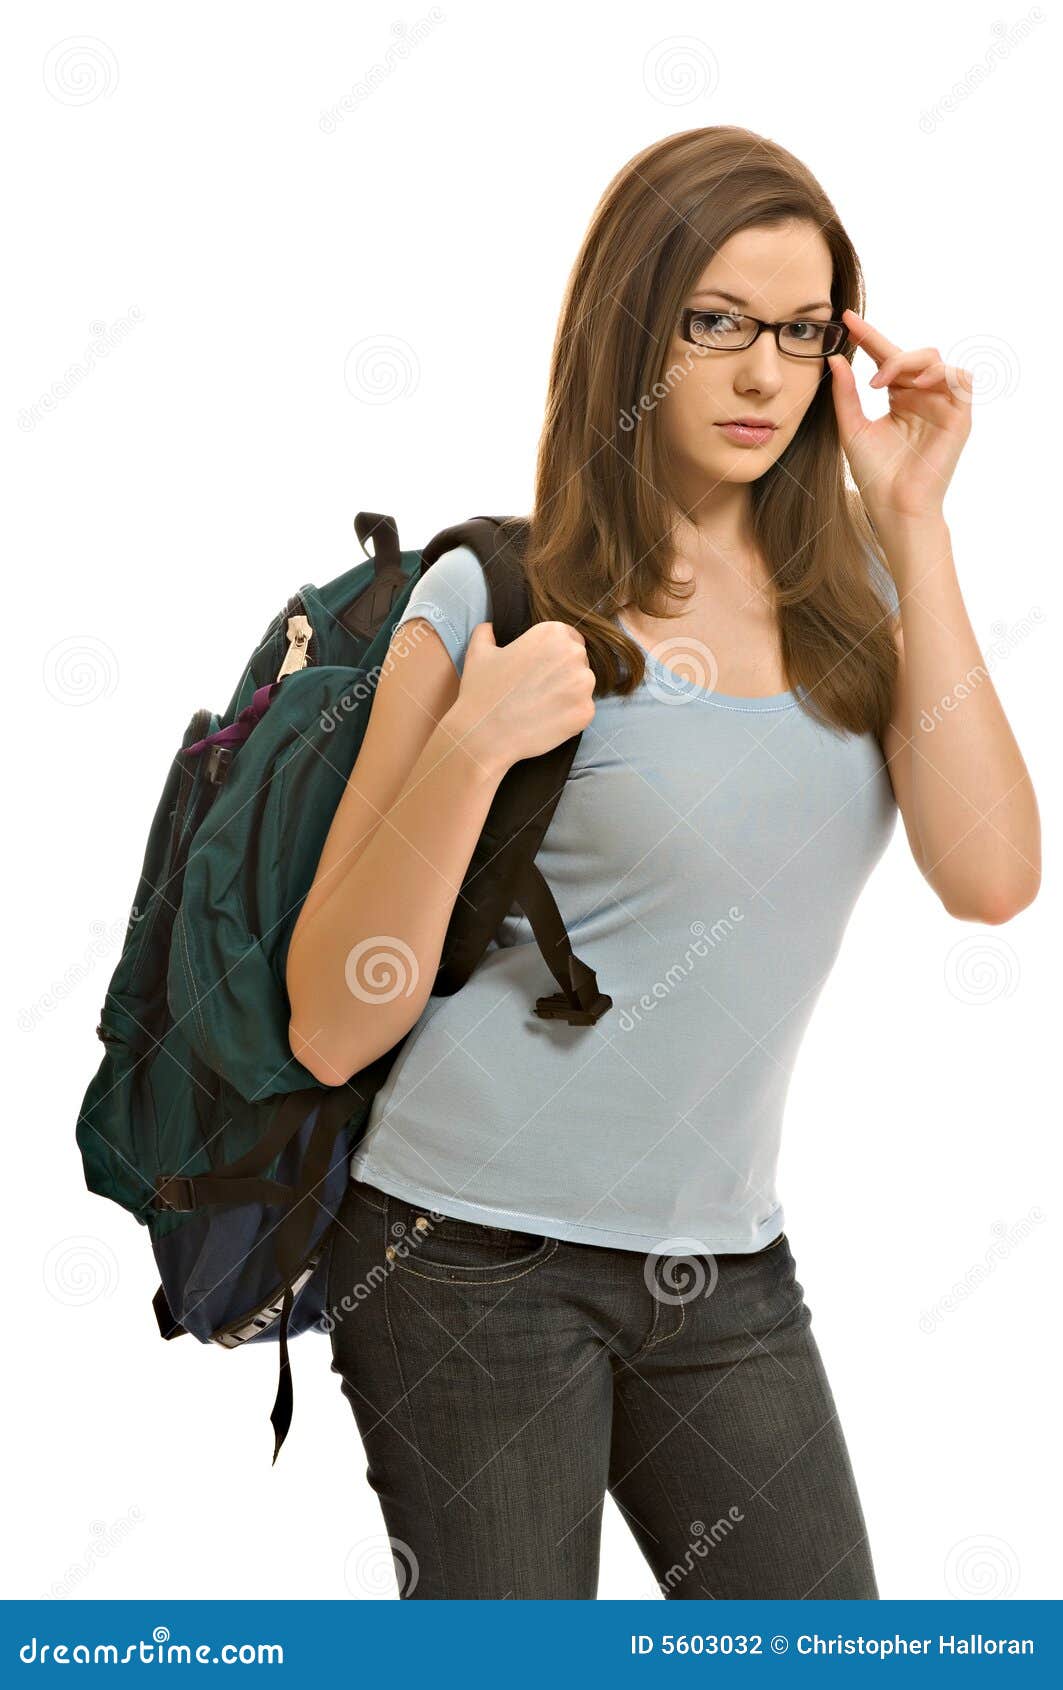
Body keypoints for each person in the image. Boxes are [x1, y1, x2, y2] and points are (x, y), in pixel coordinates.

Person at [285, 126, 1040, 1600]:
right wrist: (466, 746)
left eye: (803, 331)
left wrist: (918, 521)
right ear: (636, 329)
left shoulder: (865, 601)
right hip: (459, 1260)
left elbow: (995, 874)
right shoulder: (495, 593)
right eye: (716, 325)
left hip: (726, 1267)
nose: (765, 373)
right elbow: (333, 1013)